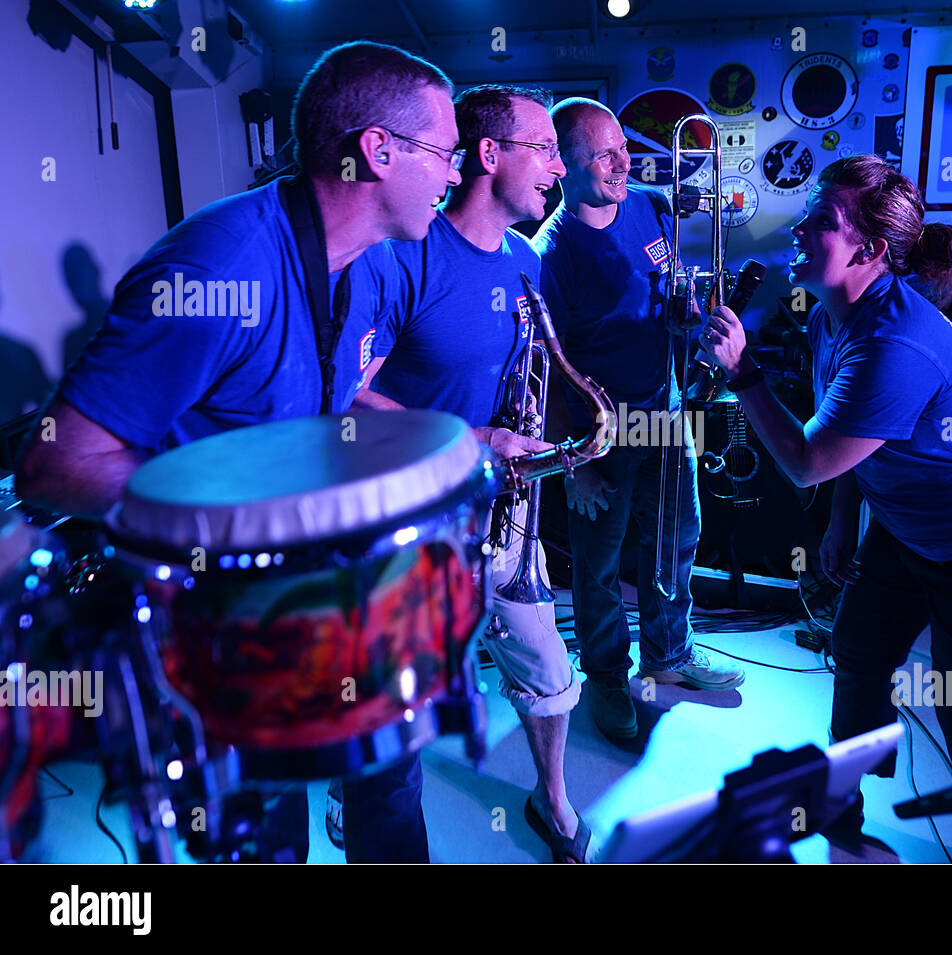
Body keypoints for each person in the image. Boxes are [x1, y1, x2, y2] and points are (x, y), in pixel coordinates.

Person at [15, 41, 464, 863]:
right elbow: (54, 464)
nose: (455, 175)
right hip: (216, 624)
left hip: (308, 595)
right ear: (378, 150)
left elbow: (319, 401)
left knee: (392, 782)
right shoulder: (219, 264)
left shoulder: (365, 268)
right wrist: (243, 518)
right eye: (446, 153)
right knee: (265, 838)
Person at [700, 155, 952, 861]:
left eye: (821, 222)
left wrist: (743, 372)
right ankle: (844, 833)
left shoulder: (895, 340)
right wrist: (843, 524)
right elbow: (851, 449)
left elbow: (808, 458)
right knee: (858, 661)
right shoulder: (831, 318)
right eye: (806, 214)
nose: (800, 229)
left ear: (870, 250)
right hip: (907, 534)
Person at [349, 85, 592, 863]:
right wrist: (472, 435)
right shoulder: (402, 255)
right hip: (414, 523)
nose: (559, 168)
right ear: (491, 156)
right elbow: (347, 398)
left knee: (549, 668)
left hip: (507, 516)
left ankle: (552, 796)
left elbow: (526, 382)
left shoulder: (525, 260)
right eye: (546, 149)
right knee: (404, 703)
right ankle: (356, 801)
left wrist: (558, 451)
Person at [531, 98, 743, 743]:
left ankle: (667, 654)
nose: (623, 162)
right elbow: (547, 366)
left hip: (666, 407)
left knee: (676, 538)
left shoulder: (648, 205)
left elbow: (664, 294)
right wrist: (574, 469)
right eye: (603, 154)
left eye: (622, 147)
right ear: (564, 164)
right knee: (598, 566)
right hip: (602, 428)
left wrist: (686, 316)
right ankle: (603, 677)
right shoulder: (552, 251)